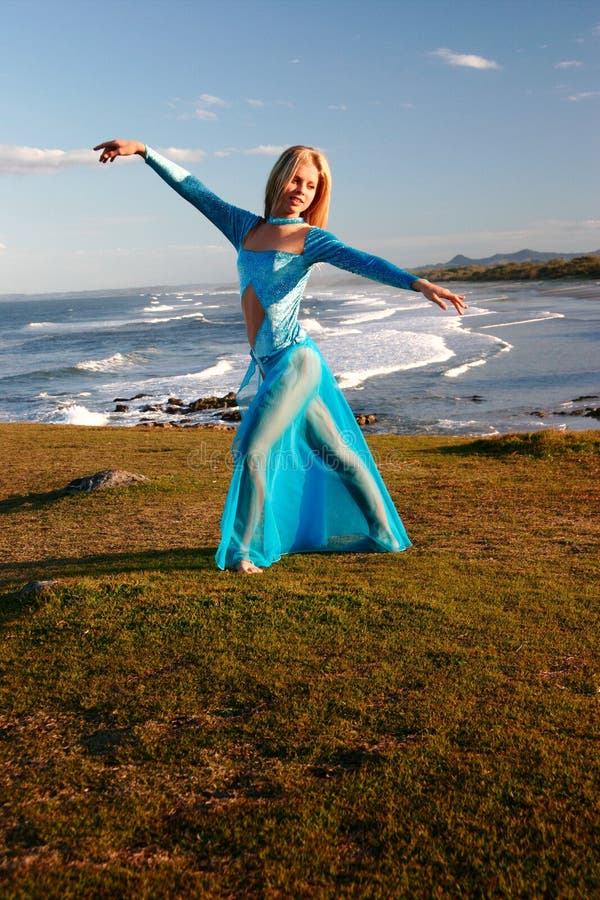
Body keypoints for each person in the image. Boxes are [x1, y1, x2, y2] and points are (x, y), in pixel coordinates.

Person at [94, 139, 467, 573]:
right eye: (296, 178)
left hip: (296, 360)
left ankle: (244, 551)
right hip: (270, 364)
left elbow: (364, 262)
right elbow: (193, 189)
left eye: (311, 186)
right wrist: (143, 151)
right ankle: (384, 534)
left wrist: (416, 282)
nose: (301, 190)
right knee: (336, 454)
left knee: (252, 449)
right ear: (279, 177)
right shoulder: (243, 227)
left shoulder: (311, 239)